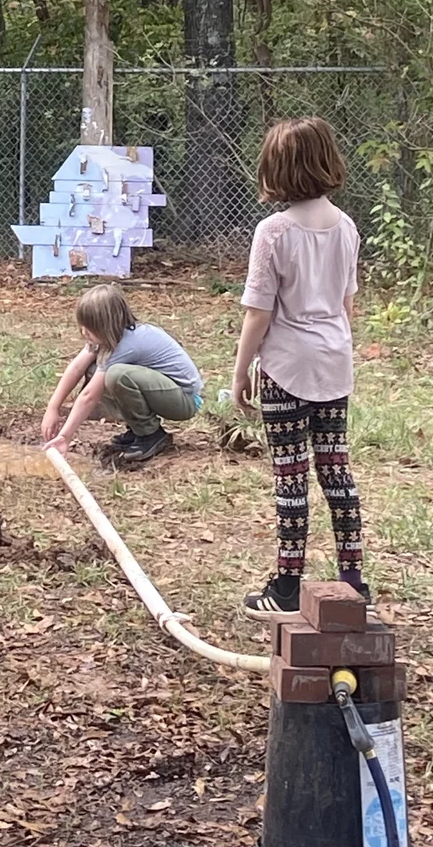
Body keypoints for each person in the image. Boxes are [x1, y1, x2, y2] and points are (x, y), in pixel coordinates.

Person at [232, 117, 365, 619]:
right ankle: (353, 579)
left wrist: (241, 371)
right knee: (337, 469)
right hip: (335, 361)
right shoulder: (347, 227)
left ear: (278, 169)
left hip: (286, 368)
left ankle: (287, 587)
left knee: (291, 475)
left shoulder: (274, 231)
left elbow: (259, 312)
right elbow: (347, 303)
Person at [41, 284, 203, 463]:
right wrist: (52, 407)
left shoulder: (127, 344)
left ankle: (150, 435)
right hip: (162, 392)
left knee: (115, 375)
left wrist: (65, 437)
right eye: (82, 326)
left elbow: (89, 396)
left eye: (90, 328)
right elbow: (77, 368)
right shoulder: (108, 338)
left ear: (107, 325)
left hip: (184, 400)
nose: (83, 332)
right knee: (95, 370)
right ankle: (137, 429)